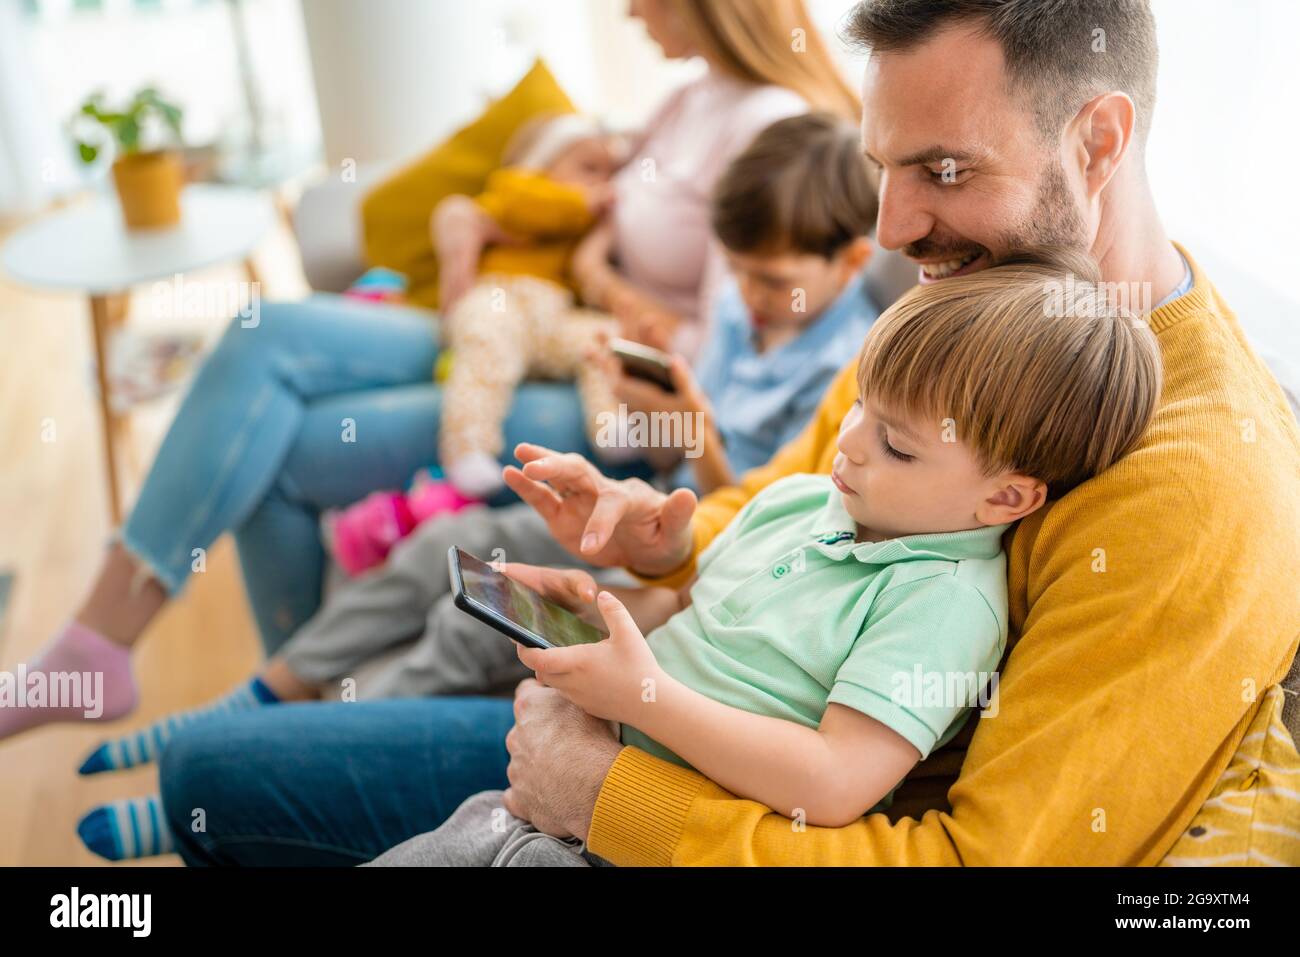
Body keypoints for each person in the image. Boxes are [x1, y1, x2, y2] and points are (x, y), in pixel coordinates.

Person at [154, 0, 1298, 868]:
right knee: (205, 769)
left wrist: (603, 795)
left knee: (220, 791)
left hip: (697, 789)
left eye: (943, 171)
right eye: (883, 169)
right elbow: (796, 495)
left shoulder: (1197, 490)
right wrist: (662, 544)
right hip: (670, 703)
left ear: (1097, 144)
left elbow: (972, 862)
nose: (896, 228)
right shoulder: (958, 303)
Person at [0, 0, 856, 745]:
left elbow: (722, 338)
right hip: (543, 314)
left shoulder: (768, 124)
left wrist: (603, 288)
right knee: (264, 339)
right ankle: (102, 635)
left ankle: (276, 729)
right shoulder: (688, 96)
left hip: (611, 393)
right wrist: (490, 226)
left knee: (288, 447)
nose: (629, 13)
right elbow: (588, 199)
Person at [73, 109, 883, 860]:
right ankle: (264, 695)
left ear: (851, 261)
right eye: (740, 276)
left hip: (692, 541)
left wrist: (691, 437)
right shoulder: (752, 323)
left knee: (472, 620)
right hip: (677, 530)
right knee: (443, 547)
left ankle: (294, 732)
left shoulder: (852, 375)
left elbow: (765, 509)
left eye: (771, 282)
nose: (750, 299)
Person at [368, 248, 1162, 866]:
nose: (848, 445)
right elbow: (687, 610)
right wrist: (597, 609)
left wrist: (642, 696)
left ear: (1006, 500)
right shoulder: (808, 500)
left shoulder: (945, 603)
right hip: (546, 801)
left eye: (895, 443)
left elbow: (832, 779)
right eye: (860, 405)